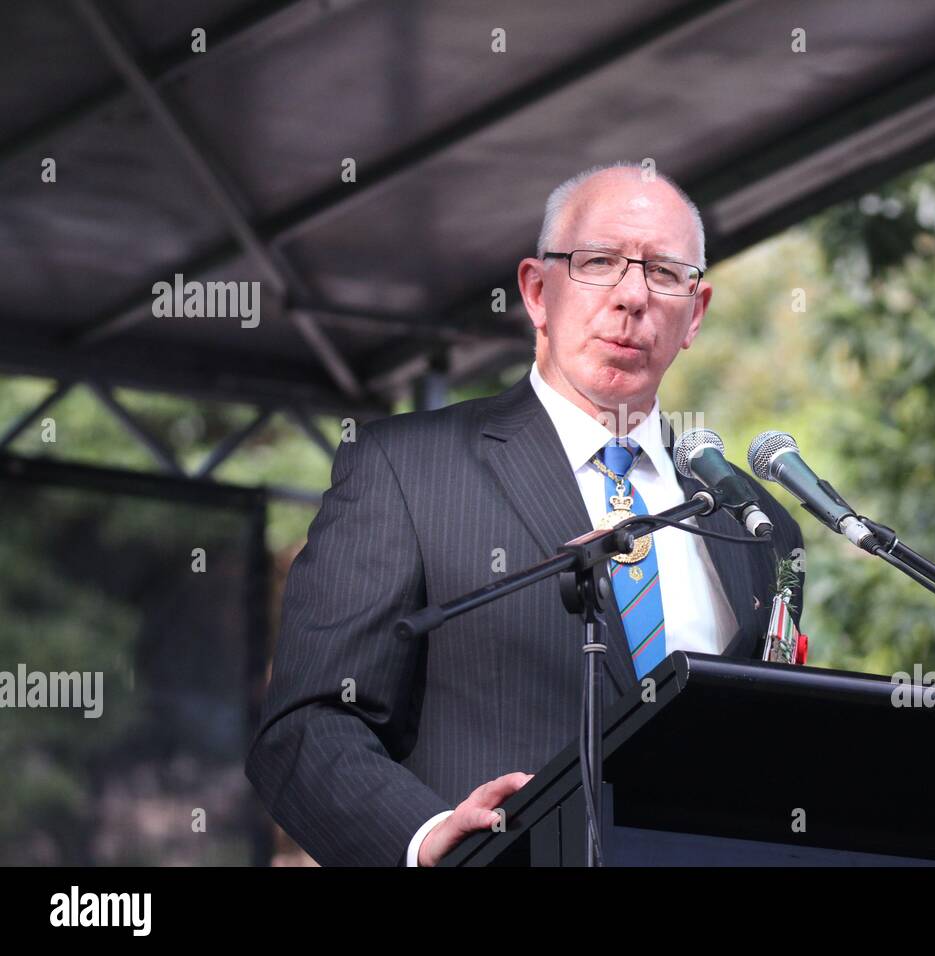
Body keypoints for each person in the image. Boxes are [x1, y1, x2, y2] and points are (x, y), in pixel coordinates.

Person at [245, 162, 805, 866]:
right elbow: (307, 724)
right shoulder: (407, 470)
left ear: (695, 313)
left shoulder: (750, 523)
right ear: (538, 292)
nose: (633, 296)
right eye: (600, 263)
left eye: (665, 273)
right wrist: (425, 840)